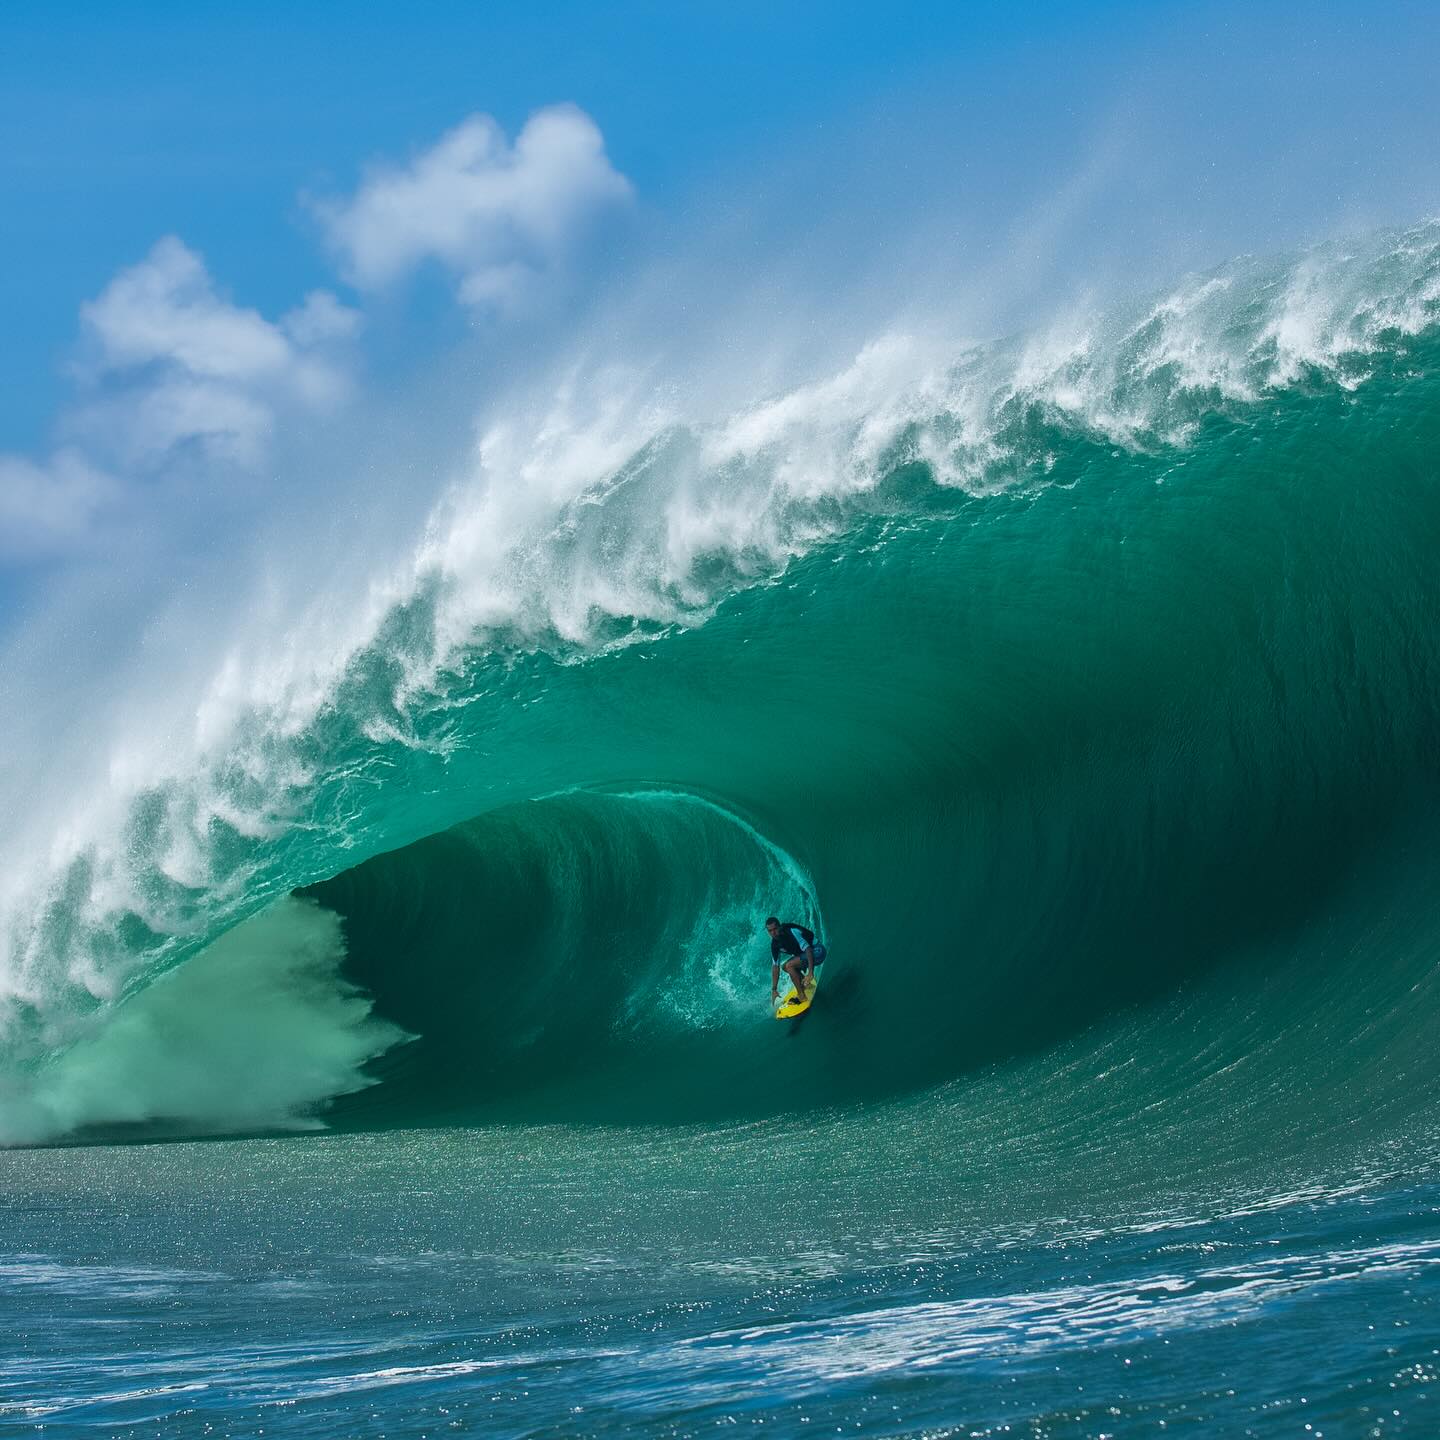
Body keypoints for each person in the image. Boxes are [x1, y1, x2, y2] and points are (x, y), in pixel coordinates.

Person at [766, 916, 827, 1008]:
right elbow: (775, 966)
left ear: (779, 927)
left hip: (818, 951)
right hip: (807, 954)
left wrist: (810, 972)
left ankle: (801, 996)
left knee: (789, 965)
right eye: (770, 931)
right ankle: (805, 984)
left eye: (775, 929)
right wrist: (774, 989)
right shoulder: (775, 944)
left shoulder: (790, 931)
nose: (773, 933)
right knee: (784, 967)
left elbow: (808, 949)